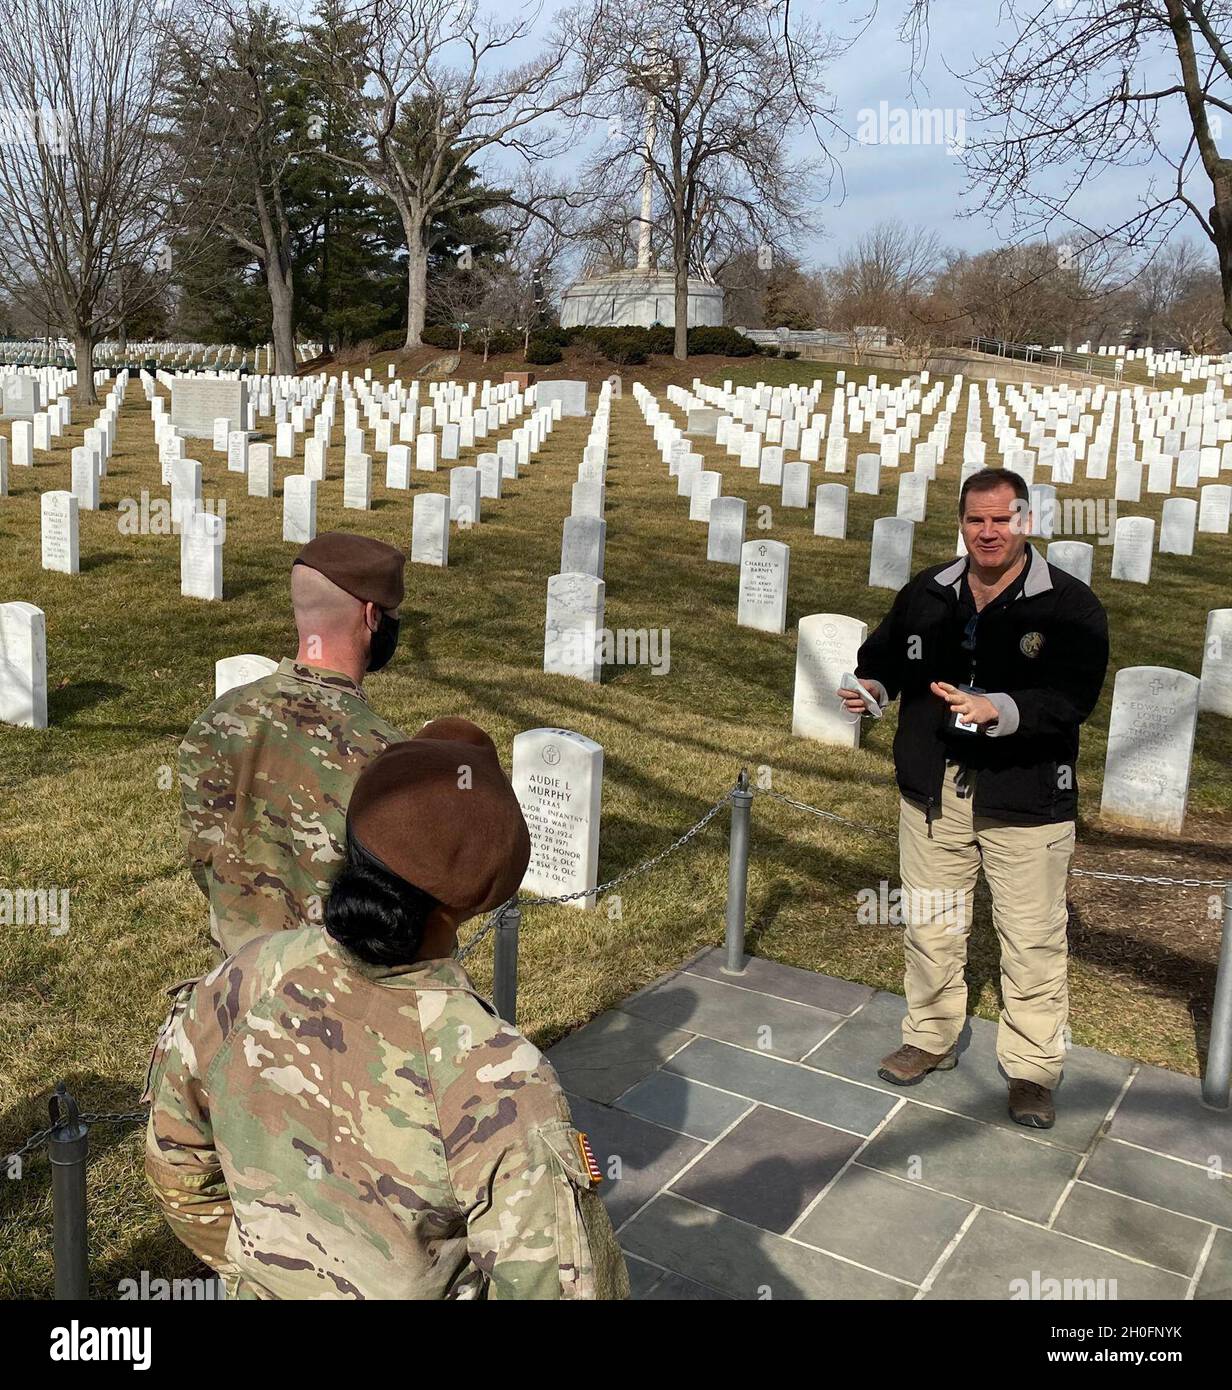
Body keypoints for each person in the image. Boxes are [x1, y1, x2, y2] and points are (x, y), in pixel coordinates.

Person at [145, 717, 629, 1300]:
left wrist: (261, 1276)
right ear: (479, 900)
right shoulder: (500, 1083)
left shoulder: (244, 978)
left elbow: (175, 1164)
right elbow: (563, 1289)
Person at [839, 468, 1109, 1129]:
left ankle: (1033, 1069)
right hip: (934, 792)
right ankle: (930, 1035)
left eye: (1001, 519)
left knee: (1031, 939)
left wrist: (998, 708)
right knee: (930, 925)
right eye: (975, 520)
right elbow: (885, 659)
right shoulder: (929, 593)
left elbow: (1072, 699)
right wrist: (872, 690)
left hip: (1026, 798)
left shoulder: (1069, 606)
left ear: (1026, 522)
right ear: (960, 523)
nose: (988, 532)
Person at [179, 532, 408, 958]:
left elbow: (203, 856)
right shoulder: (385, 755)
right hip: (332, 1005)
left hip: (234, 984)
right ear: (373, 616)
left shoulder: (218, 718)